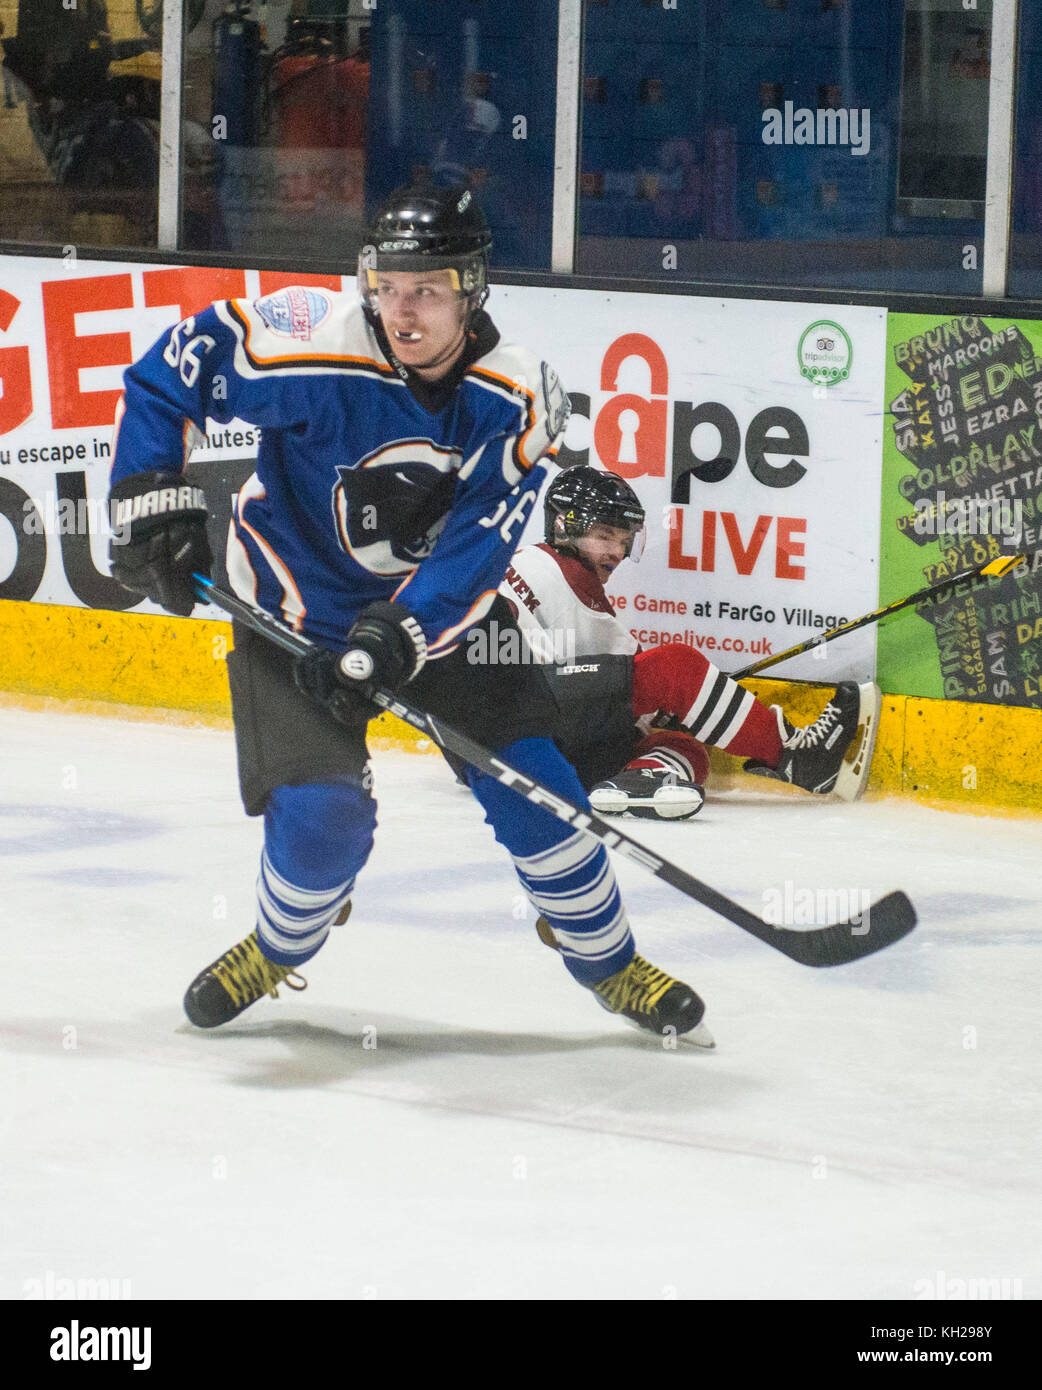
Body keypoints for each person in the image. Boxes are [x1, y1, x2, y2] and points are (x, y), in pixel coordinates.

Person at [106, 182, 714, 1046]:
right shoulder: (309, 343)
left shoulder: (516, 398)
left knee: (545, 800)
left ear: (472, 289)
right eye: (387, 285)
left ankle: (612, 967)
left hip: (449, 627)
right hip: (292, 609)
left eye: (426, 290)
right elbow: (169, 370)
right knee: (322, 825)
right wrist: (147, 494)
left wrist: (397, 634)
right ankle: (280, 948)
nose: (402, 310)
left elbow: (477, 548)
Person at [498, 465, 880, 818]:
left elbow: (597, 679)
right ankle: (799, 756)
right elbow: (640, 674)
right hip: (526, 721)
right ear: (564, 527)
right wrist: (677, 700)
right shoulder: (565, 573)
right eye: (604, 536)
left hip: (504, 752)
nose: (616, 552)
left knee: (684, 748)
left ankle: (638, 781)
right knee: (676, 668)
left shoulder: (524, 564)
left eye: (622, 539)